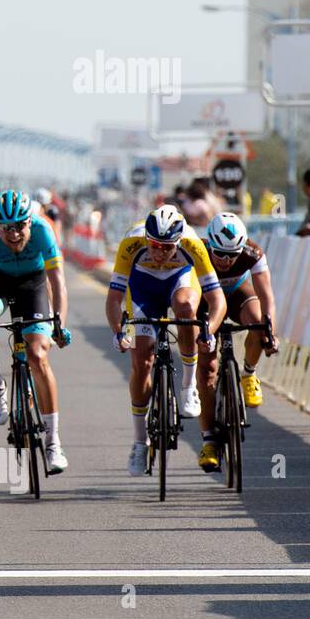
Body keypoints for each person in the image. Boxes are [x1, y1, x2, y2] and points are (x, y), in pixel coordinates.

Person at [106, 204, 225, 477]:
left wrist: (209, 332)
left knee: (185, 309)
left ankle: (188, 387)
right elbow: (114, 297)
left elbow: (216, 298)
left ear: (179, 241)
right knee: (141, 361)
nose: (159, 252)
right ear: (146, 238)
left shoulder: (193, 244)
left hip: (178, 280)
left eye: (167, 247)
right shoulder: (131, 243)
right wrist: (118, 330)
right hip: (143, 288)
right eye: (154, 245)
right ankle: (139, 442)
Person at [0, 190, 71, 470]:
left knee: (38, 355)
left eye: (19, 226)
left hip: (32, 284)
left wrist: (59, 321)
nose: (13, 234)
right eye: (5, 229)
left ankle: (53, 441)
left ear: (29, 221)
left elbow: (58, 282)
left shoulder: (43, 230)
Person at [195, 212, 281, 472]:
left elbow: (267, 298)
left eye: (231, 255)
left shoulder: (253, 253)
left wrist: (270, 333)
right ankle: (209, 441)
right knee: (207, 370)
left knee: (257, 323)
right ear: (209, 243)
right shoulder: (197, 250)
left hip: (237, 295)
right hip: (206, 301)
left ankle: (249, 374)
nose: (225, 260)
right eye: (219, 254)